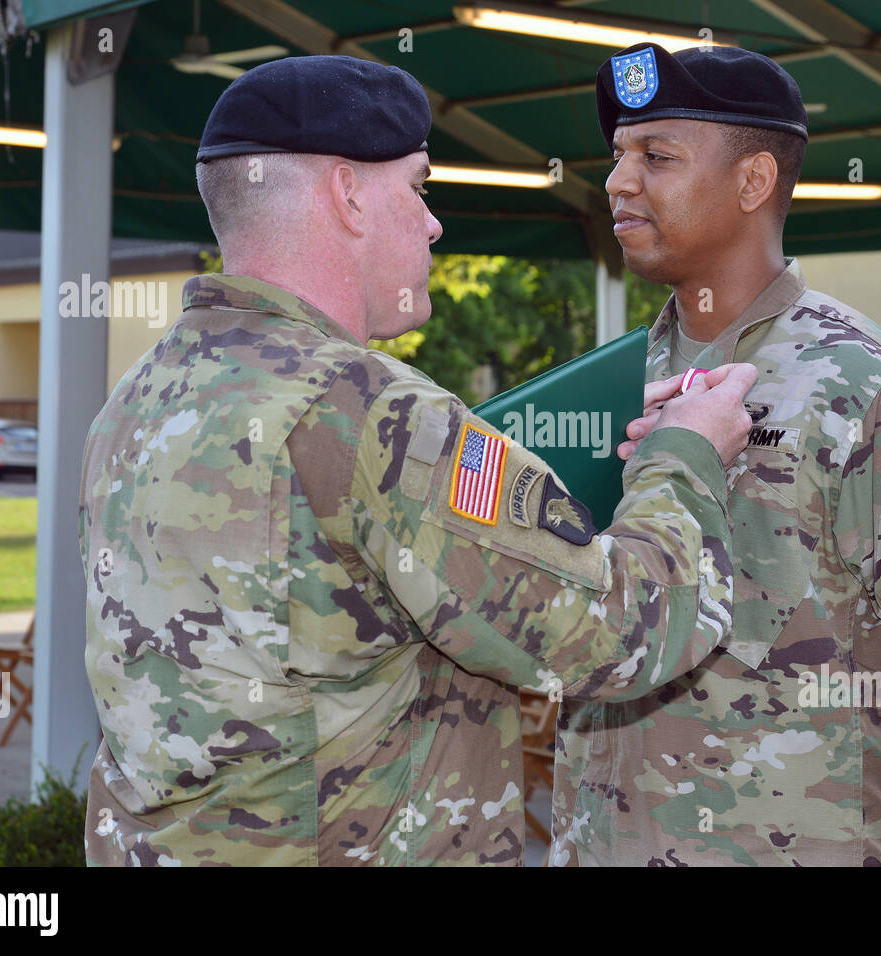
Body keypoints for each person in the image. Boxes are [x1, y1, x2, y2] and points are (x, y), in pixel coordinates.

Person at [77, 55, 759, 866]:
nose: (433, 223)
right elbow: (617, 634)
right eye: (419, 187)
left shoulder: (139, 398)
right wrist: (688, 450)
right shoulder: (370, 413)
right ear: (346, 195)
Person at [551, 42, 881, 866]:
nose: (618, 181)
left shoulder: (873, 388)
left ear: (753, 183)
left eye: (656, 156)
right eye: (617, 156)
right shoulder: (613, 387)